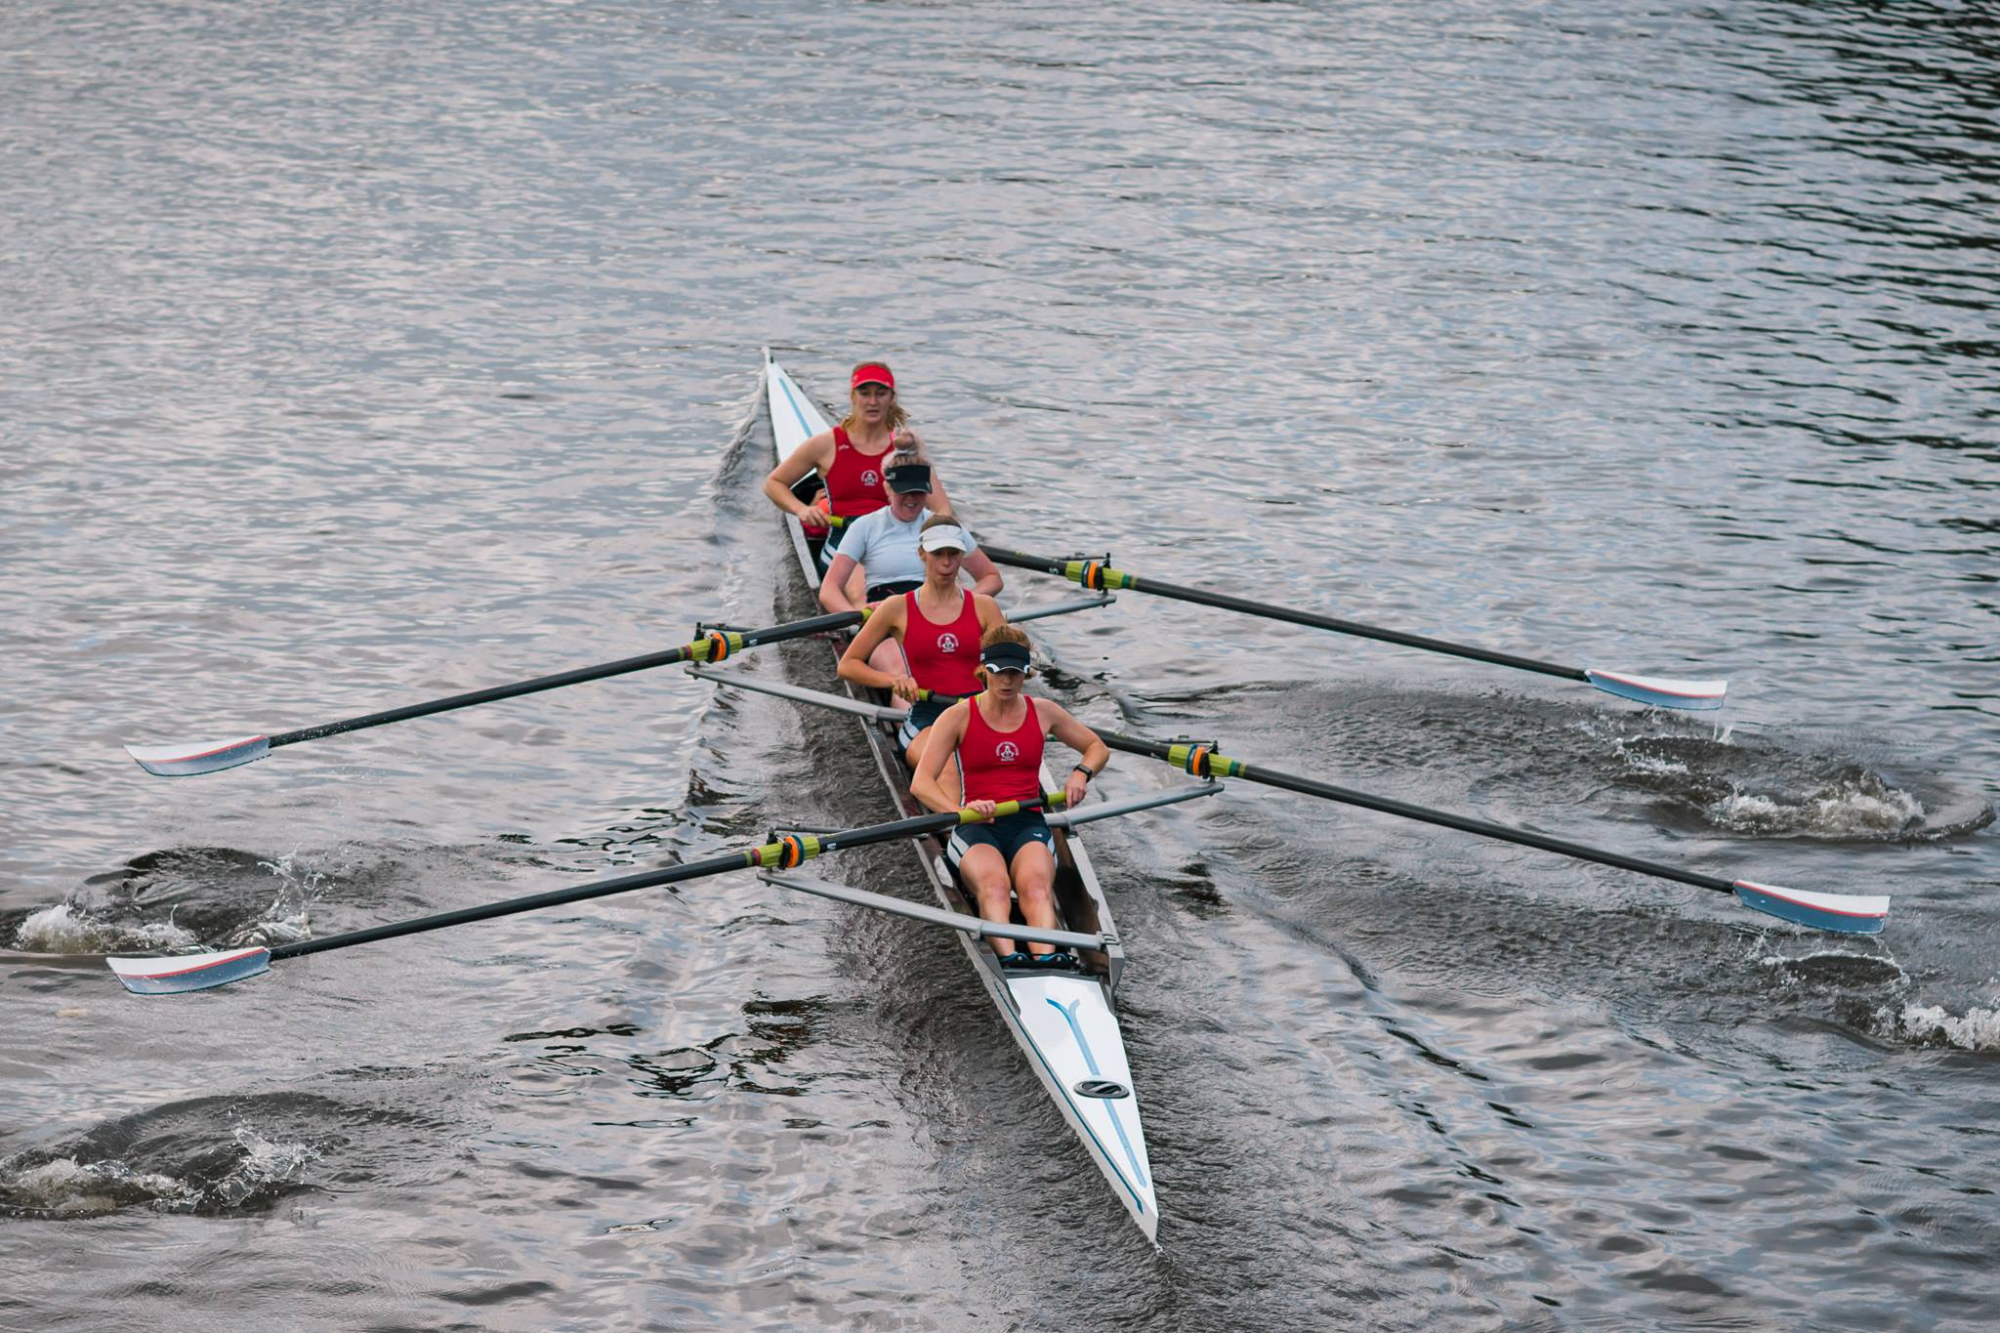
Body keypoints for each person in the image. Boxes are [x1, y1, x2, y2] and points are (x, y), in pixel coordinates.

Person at [910, 624, 1110, 970]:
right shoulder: (957, 716)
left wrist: (1081, 773)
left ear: (1026, 673)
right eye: (998, 672)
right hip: (975, 828)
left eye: (1015, 673)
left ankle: (1046, 960)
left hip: (1027, 824)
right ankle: (1009, 961)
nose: (1006, 681)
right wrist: (959, 809)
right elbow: (921, 784)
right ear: (983, 669)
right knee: (995, 887)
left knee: (1036, 889)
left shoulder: (1044, 712)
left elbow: (1097, 747)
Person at [837, 515, 1005, 800]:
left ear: (962, 555)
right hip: (926, 718)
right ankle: (960, 824)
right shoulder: (896, 608)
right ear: (921, 554)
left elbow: (1010, 667)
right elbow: (848, 665)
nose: (946, 563)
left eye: (953, 554)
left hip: (978, 714)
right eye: (938, 553)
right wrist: (893, 680)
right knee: (948, 769)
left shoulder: (985, 607)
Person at [762, 361, 951, 574]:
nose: (873, 402)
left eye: (881, 394)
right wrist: (802, 509)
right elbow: (774, 483)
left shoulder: (904, 449)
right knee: (867, 577)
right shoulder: (826, 445)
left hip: (895, 543)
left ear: (891, 398)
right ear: (853, 397)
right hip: (843, 545)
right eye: (864, 393)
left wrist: (932, 541)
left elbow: (943, 510)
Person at [819, 455, 1002, 616]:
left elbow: (991, 578)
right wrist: (858, 617)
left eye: (918, 491)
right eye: (903, 491)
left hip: (938, 611)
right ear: (888, 489)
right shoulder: (864, 526)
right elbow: (829, 590)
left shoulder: (944, 526)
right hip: (886, 615)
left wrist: (962, 602)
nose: (911, 498)